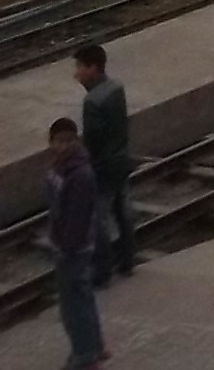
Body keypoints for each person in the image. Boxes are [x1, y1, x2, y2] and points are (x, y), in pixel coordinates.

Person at [45, 117, 107, 370]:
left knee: (72, 306)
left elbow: (77, 218)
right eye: (58, 141)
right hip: (70, 244)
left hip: (73, 248)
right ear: (51, 143)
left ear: (76, 141)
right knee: (83, 297)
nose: (63, 146)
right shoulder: (60, 167)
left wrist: (65, 247)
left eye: (68, 141)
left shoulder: (80, 175)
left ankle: (84, 356)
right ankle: (96, 346)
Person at [73, 43, 135, 286]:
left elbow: (93, 140)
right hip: (121, 159)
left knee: (98, 219)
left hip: (103, 167)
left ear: (93, 68)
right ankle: (127, 261)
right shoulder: (116, 87)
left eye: (80, 67)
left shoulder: (92, 101)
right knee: (123, 212)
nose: (76, 73)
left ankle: (102, 272)